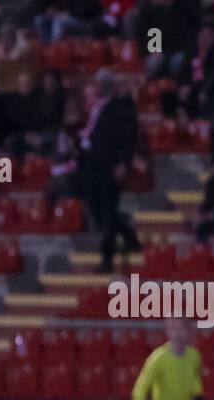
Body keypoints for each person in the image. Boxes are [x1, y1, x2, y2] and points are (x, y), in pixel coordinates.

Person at [80, 70, 141, 273]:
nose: (99, 87)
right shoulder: (95, 106)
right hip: (93, 165)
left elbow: (130, 135)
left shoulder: (122, 104)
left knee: (108, 211)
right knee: (99, 210)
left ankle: (107, 258)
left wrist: (123, 163)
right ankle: (130, 236)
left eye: (103, 83)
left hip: (111, 165)